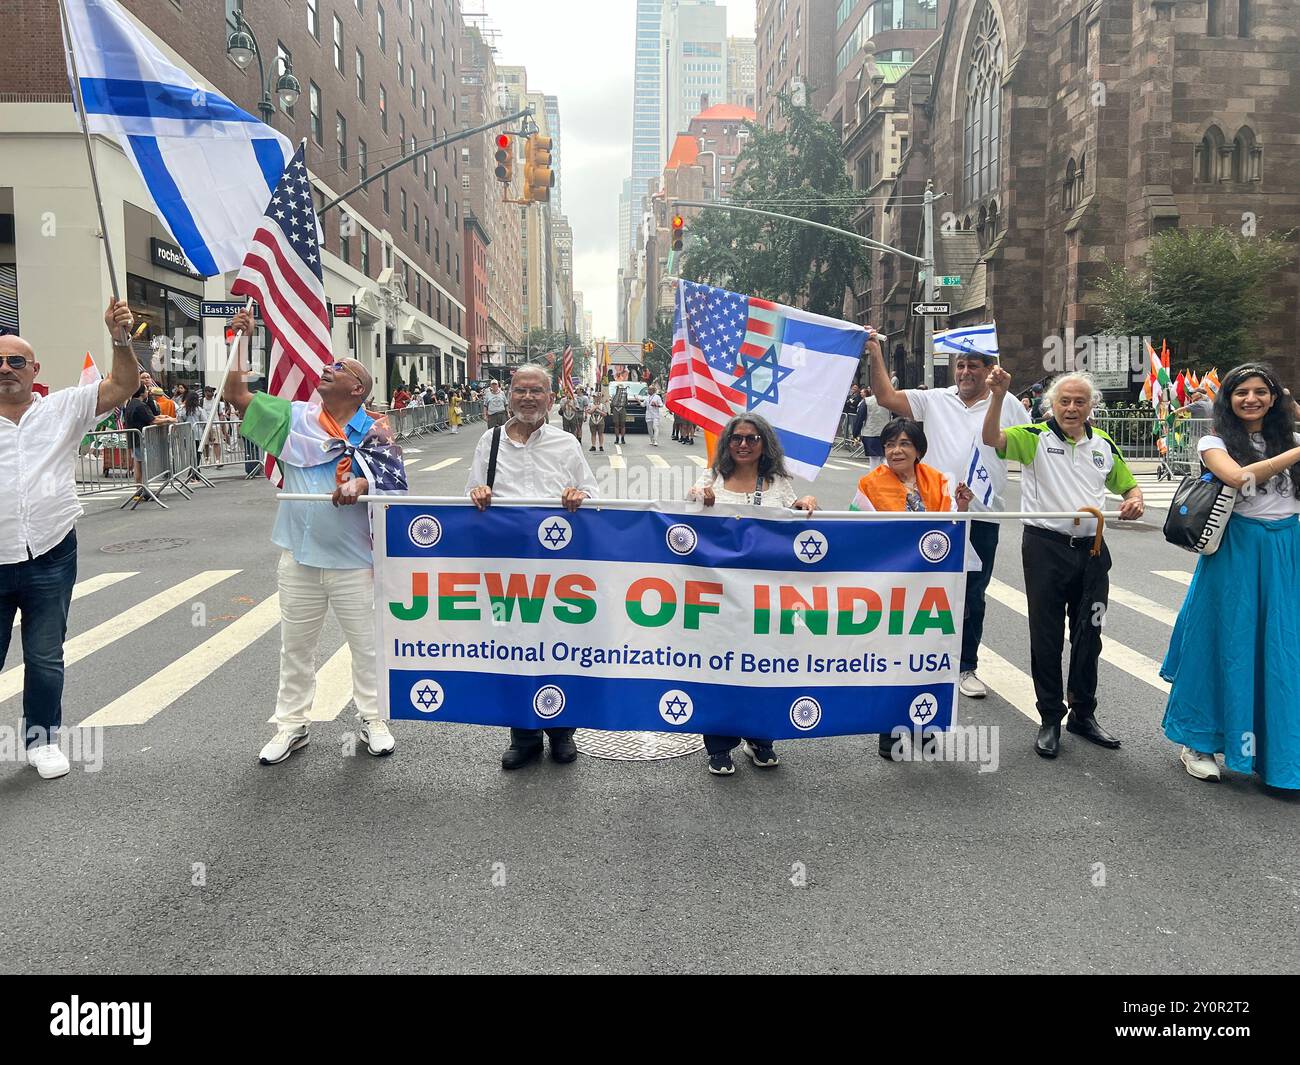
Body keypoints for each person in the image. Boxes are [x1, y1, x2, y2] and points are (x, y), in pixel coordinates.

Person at [222, 309, 407, 766]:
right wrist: (240, 341)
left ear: (357, 389)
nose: (327, 368)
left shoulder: (377, 428)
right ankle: (291, 725)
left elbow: (395, 480)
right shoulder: (294, 417)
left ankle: (373, 718)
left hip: (355, 562)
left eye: (340, 368)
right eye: (328, 365)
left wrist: (360, 484)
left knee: (366, 645)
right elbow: (235, 394)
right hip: (299, 559)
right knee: (295, 647)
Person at [0, 300, 141, 778]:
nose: (5, 368)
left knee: (44, 654)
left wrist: (120, 339)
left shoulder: (62, 407)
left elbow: (123, 386)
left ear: (33, 369)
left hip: (50, 553)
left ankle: (41, 741)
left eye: (15, 361)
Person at [983, 368, 1145, 759]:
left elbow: (1126, 483)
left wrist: (1135, 498)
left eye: (1080, 401)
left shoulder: (1103, 443)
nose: (1072, 408)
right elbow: (992, 439)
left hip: (1092, 549)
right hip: (1045, 547)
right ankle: (1050, 717)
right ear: (1051, 405)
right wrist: (998, 397)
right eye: (1064, 401)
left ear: (1092, 406)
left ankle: (1083, 714)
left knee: (1090, 633)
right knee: (1047, 634)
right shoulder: (1034, 438)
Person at [867, 329, 1030, 700]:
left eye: (973, 365)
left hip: (982, 516)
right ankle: (918, 658)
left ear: (990, 369)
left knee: (972, 594)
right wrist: (875, 353)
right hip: (935, 515)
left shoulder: (1010, 405)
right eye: (960, 365)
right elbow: (886, 396)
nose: (964, 372)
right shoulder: (935, 399)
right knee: (924, 592)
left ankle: (965, 665)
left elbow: (1025, 450)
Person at [1161, 363, 1300, 788]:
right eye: (1242, 392)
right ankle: (1197, 741)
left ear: (1274, 398)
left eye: (1261, 392)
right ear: (1228, 399)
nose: (1251, 399)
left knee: (1280, 651)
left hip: (1287, 549)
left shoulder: (1290, 439)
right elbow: (1238, 478)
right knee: (1222, 644)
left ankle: (1279, 755)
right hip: (1236, 552)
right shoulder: (1214, 441)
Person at [466, 364, 598, 771]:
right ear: (508, 396)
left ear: (550, 398)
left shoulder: (566, 444)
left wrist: (580, 495)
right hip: (506, 571)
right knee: (514, 650)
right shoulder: (488, 443)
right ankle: (523, 736)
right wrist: (479, 492)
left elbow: (594, 494)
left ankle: (562, 733)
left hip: (559, 572)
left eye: (536, 391)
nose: (527, 398)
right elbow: (468, 493)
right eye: (520, 390)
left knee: (560, 646)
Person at [687, 413, 817, 776]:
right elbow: (688, 509)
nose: (744, 444)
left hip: (766, 597)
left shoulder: (775, 481)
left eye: (752, 438)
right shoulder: (712, 477)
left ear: (765, 444)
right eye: (737, 438)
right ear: (727, 443)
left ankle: (760, 738)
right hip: (721, 595)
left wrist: (803, 502)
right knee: (721, 667)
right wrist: (698, 497)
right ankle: (718, 744)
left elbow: (793, 514)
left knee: (764, 667)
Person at [849, 418, 975, 759]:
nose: (896, 450)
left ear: (918, 449)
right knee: (890, 656)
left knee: (927, 656)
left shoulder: (938, 480)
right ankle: (888, 731)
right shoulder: (868, 484)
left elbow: (951, 526)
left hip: (933, 587)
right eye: (890, 444)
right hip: (890, 586)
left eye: (904, 443)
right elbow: (858, 533)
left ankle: (924, 726)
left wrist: (962, 507)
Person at [855, 385, 891, 468]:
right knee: (884, 457)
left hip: (870, 433)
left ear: (872, 390)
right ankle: (887, 474)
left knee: (874, 459)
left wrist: (855, 433)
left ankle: (875, 477)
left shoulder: (867, 401)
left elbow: (860, 419)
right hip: (886, 433)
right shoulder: (888, 401)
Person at [588, 385, 608, 452]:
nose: (596, 398)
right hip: (593, 420)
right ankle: (593, 445)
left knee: (600, 433)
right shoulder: (590, 404)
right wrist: (594, 408)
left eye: (598, 397)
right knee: (593, 433)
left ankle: (601, 446)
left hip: (600, 420)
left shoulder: (602, 405)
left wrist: (599, 410)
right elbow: (589, 412)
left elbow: (605, 414)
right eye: (595, 397)